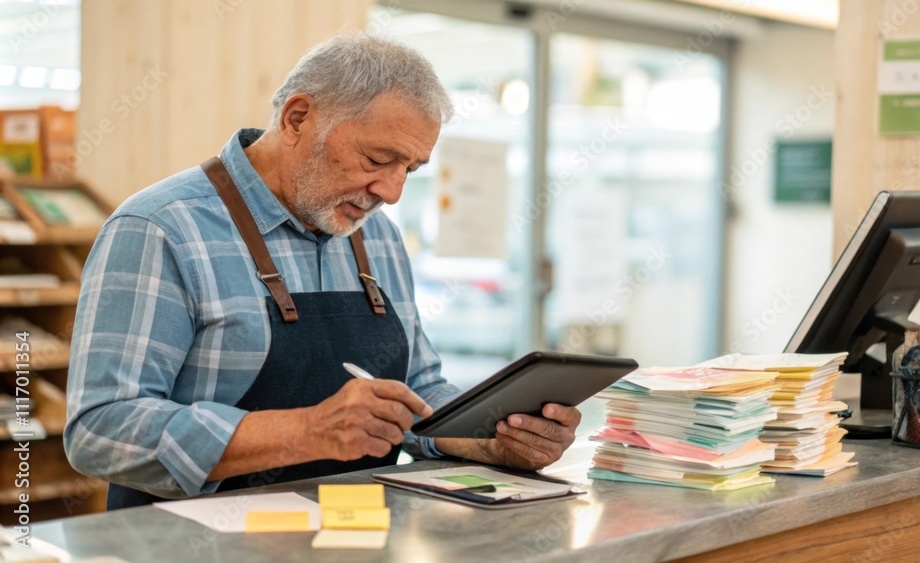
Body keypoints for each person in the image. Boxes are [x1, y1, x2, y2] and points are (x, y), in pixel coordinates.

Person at [65, 34, 581, 509]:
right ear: (296, 118)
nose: (392, 192)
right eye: (379, 158)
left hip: (353, 538)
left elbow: (419, 390)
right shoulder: (160, 228)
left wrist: (493, 438)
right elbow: (100, 430)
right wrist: (304, 431)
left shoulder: (377, 236)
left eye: (410, 170)